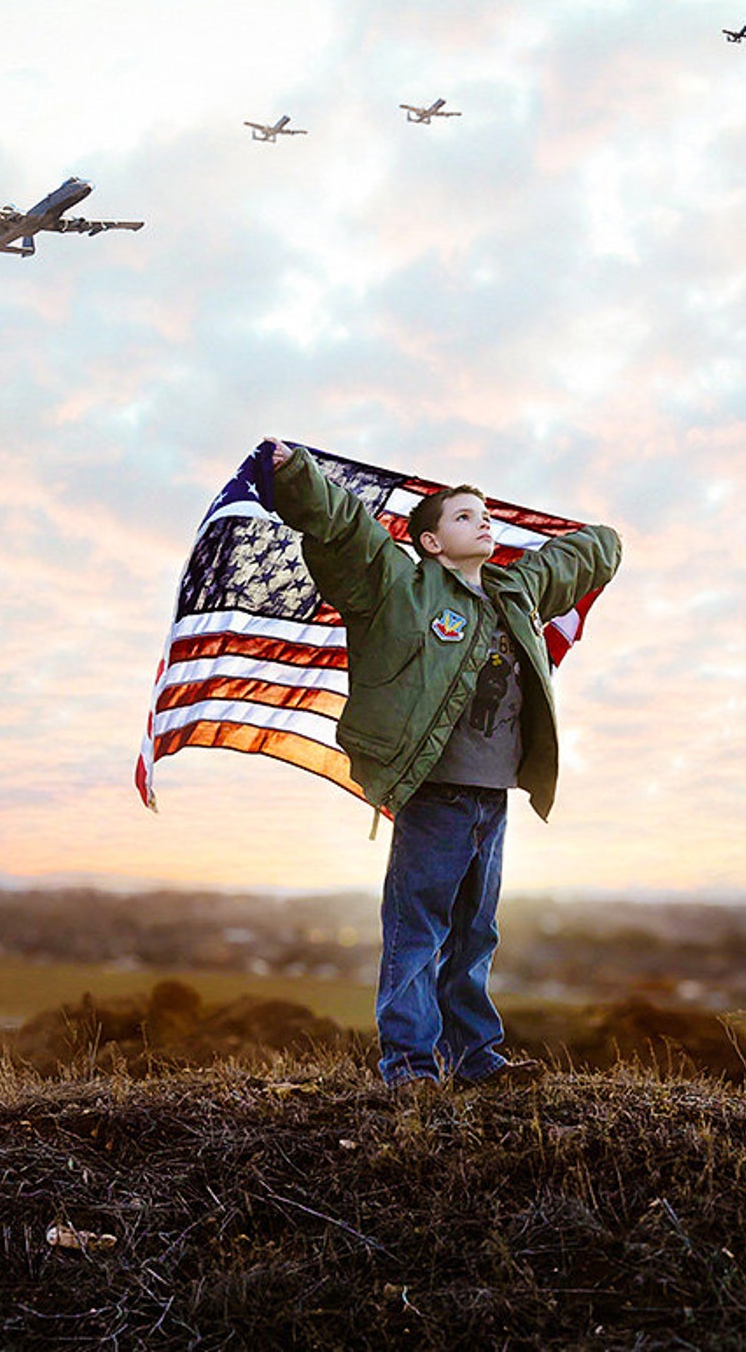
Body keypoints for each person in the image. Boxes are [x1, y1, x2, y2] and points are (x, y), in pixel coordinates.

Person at [268, 438, 622, 1090]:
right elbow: (347, 529)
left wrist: (608, 539)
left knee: (476, 936)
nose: (482, 521)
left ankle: (475, 1059)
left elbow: (576, 556)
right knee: (416, 935)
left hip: (494, 795)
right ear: (430, 542)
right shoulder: (401, 588)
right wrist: (295, 476)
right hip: (435, 794)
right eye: (463, 516)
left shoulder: (515, 592)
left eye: (485, 514)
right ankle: (409, 1067)